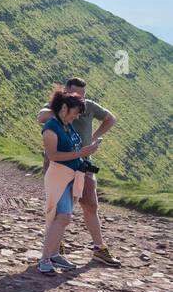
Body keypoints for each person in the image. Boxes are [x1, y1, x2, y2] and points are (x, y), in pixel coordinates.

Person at [36, 77, 120, 267]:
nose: (80, 99)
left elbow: (110, 118)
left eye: (83, 96)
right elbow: (41, 116)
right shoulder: (60, 107)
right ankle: (53, 251)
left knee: (90, 205)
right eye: (76, 95)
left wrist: (93, 137)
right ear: (66, 93)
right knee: (59, 210)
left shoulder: (87, 105)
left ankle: (99, 248)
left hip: (83, 164)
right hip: (60, 165)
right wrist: (62, 114)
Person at [38, 89, 101, 275]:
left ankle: (54, 254)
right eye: (74, 114)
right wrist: (81, 154)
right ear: (64, 108)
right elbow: (53, 155)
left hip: (70, 176)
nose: (75, 119)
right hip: (58, 176)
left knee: (63, 217)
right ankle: (45, 259)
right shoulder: (51, 128)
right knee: (61, 217)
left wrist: (84, 156)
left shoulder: (65, 125)